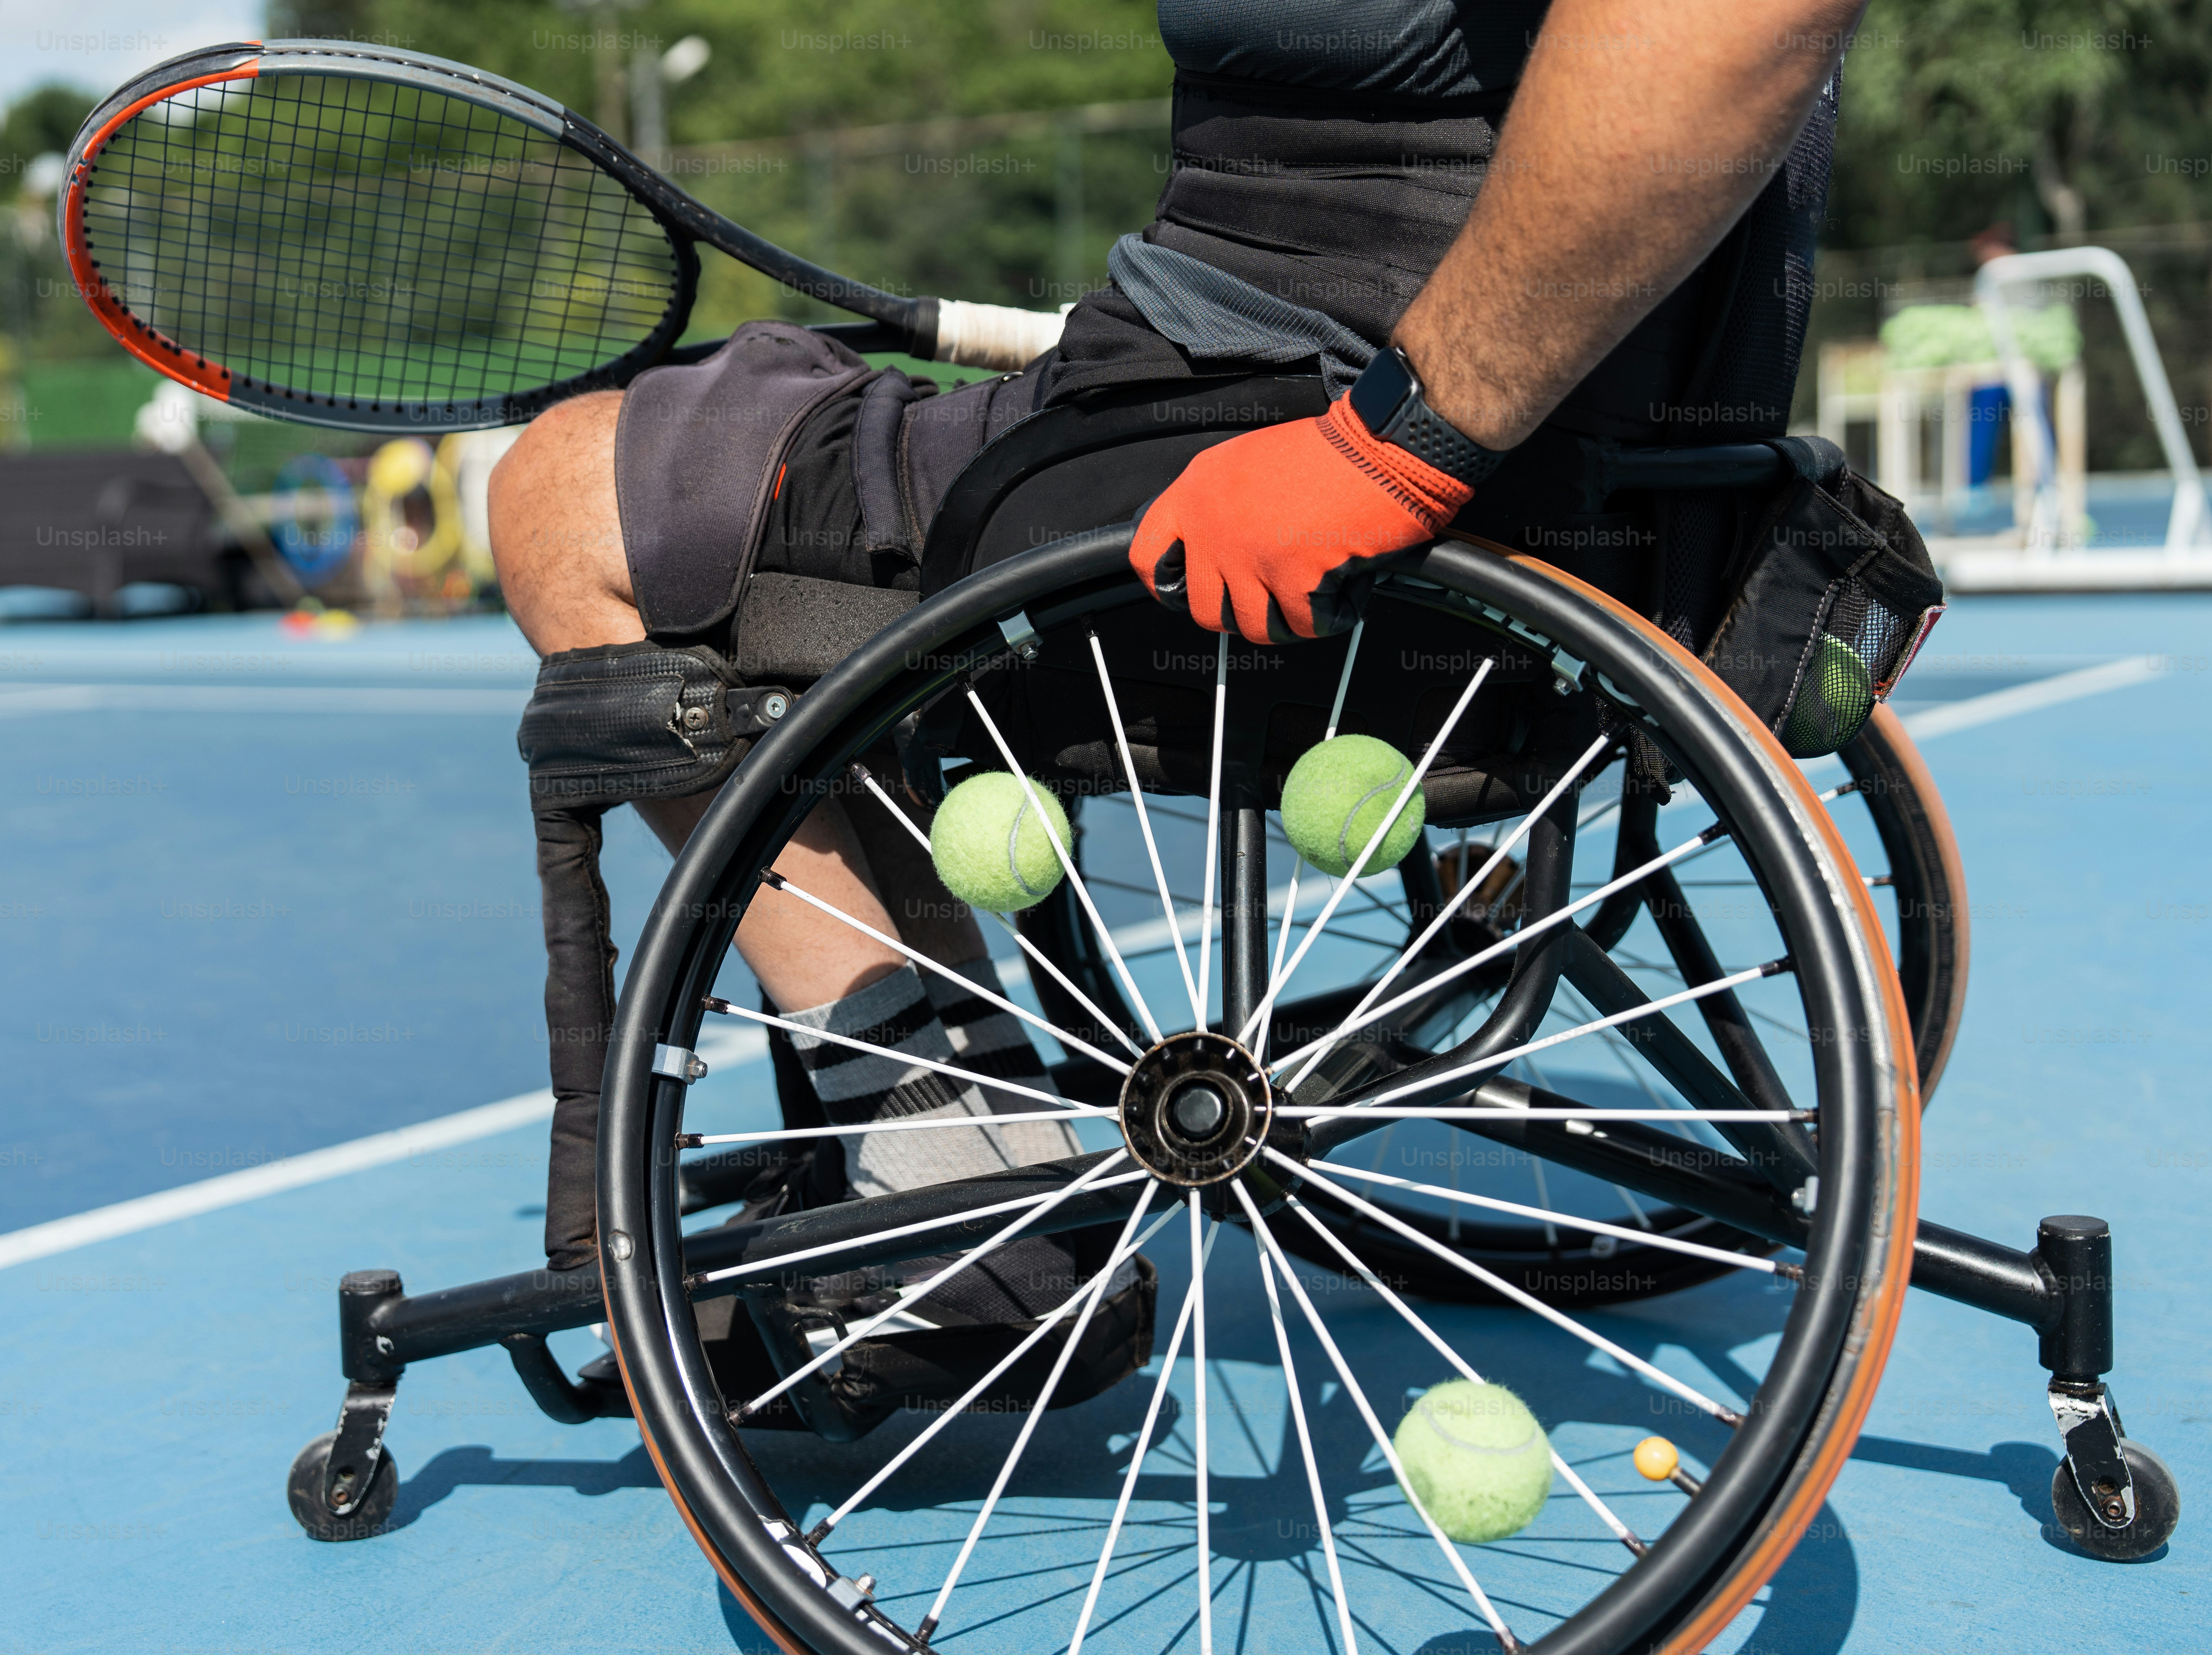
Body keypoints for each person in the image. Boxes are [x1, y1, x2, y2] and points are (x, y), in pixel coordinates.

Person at [489, 0, 1864, 1274]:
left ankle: (950, 1153)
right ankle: (958, 1120)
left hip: (1296, 457)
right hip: (1602, 508)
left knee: (568, 490)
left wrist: (1399, 444)